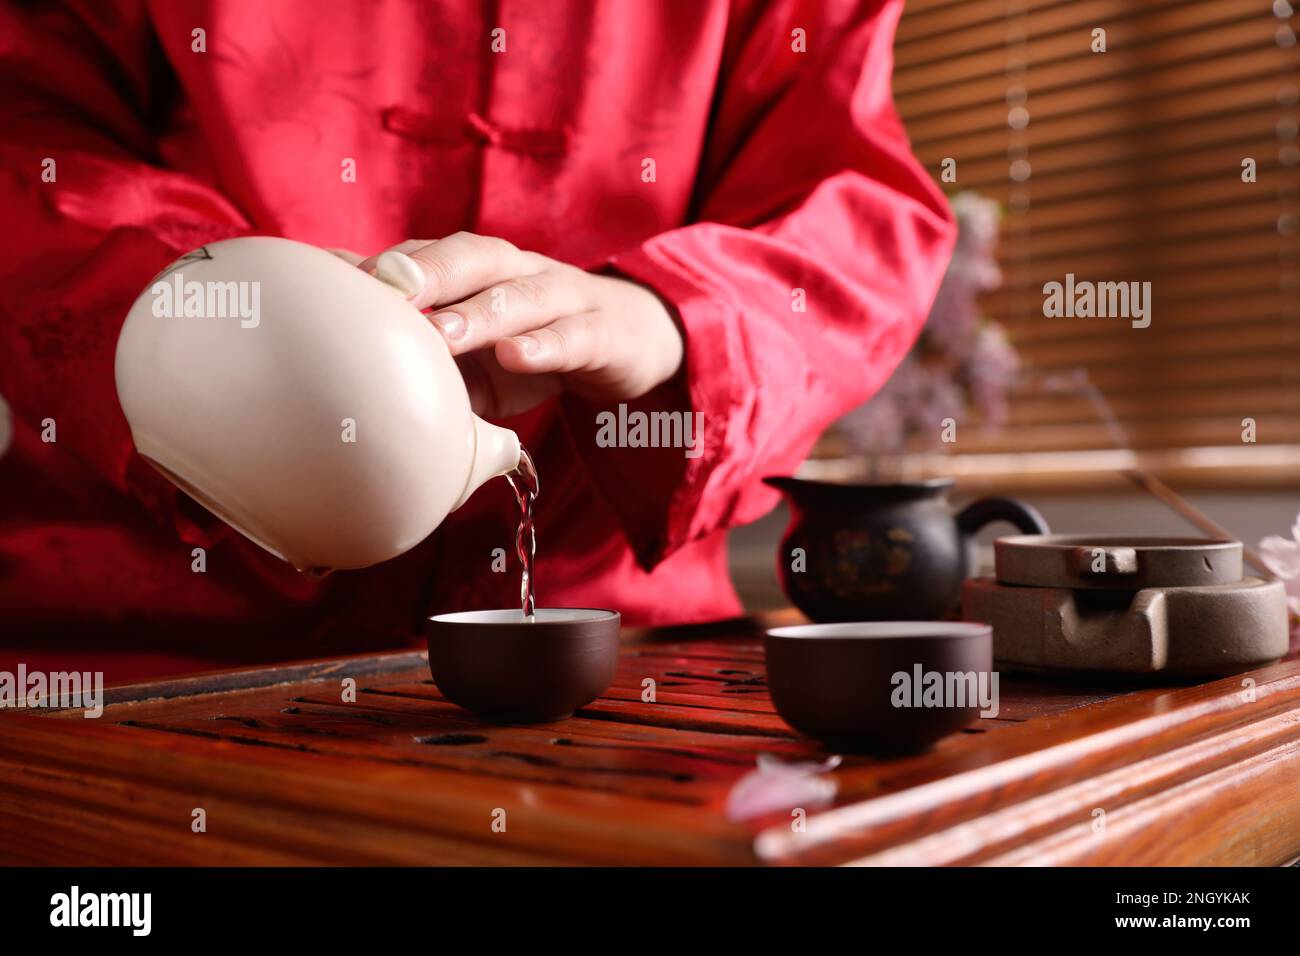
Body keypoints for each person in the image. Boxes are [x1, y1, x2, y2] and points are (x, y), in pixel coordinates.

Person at [0, 0, 955, 680]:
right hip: (152, 641)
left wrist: (672, 318)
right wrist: (219, 309)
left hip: (624, 646)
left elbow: (853, 209)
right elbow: (27, 122)